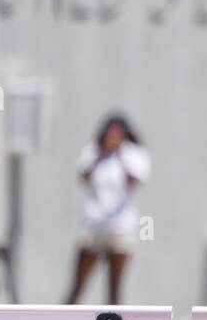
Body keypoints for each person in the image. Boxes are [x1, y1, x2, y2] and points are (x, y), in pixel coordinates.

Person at [64, 115, 151, 310]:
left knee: (114, 289)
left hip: (120, 228)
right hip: (94, 226)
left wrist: (118, 154)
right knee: (78, 285)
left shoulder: (133, 153)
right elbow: (83, 176)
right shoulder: (93, 151)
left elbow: (133, 181)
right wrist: (101, 154)